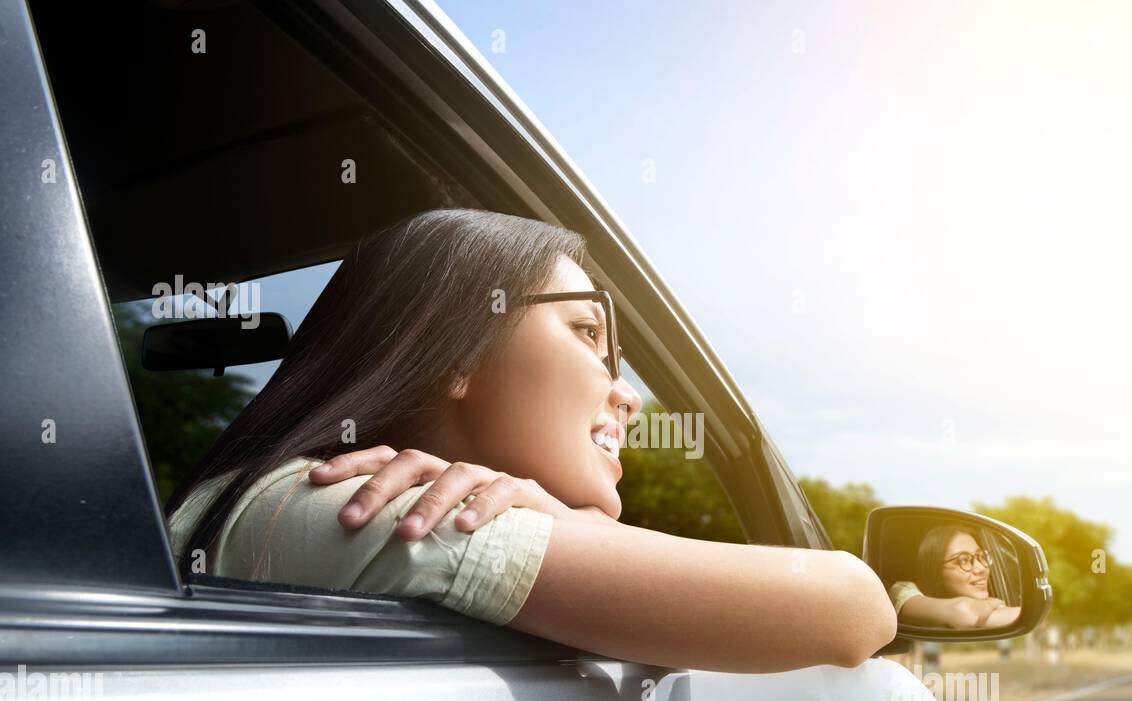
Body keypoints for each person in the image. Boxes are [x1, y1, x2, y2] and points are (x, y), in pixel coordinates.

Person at [166, 208, 896, 674]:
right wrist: (561, 523)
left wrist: (563, 517)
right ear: (455, 350)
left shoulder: (286, 494)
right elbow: (854, 606)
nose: (629, 394)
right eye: (587, 333)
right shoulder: (369, 507)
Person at [889, 525, 1020, 629]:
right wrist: (990, 603)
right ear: (936, 573)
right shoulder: (902, 590)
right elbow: (963, 612)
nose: (981, 569)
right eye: (963, 560)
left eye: (981, 556)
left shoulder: (985, 609)